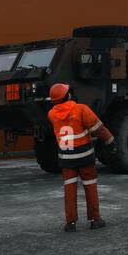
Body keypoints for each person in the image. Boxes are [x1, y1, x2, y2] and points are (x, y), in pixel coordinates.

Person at [47, 82, 116, 232]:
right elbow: (98, 128)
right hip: (85, 157)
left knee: (69, 189)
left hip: (66, 159)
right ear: (68, 95)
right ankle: (95, 219)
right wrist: (110, 141)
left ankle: (70, 223)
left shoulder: (52, 114)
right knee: (90, 186)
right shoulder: (81, 109)